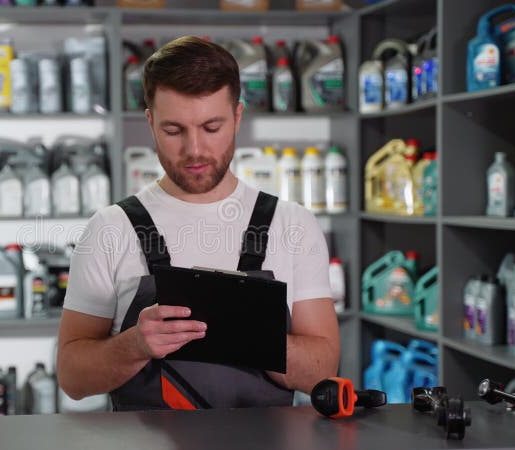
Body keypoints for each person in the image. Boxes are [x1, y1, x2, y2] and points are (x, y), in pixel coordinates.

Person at [56, 36, 339, 411]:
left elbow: (324, 370)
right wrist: (134, 345)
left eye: (211, 127)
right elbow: (72, 378)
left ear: (237, 117)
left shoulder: (292, 225)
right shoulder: (110, 228)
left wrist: (251, 335)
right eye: (174, 131)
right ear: (150, 122)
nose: (194, 151)